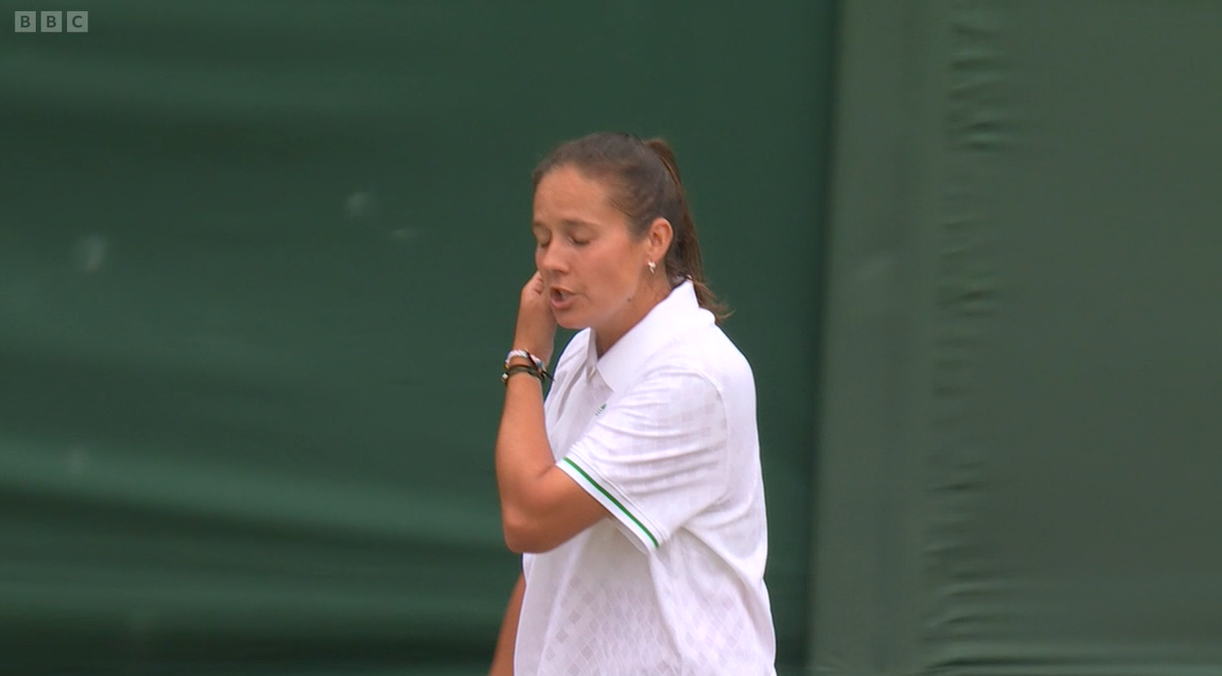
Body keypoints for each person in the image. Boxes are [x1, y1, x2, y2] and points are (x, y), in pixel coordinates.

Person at [489, 132, 776, 675]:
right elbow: (546, 561)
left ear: (655, 241)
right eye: (543, 239)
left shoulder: (696, 376)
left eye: (579, 238)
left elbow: (530, 518)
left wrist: (525, 359)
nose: (552, 262)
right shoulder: (581, 354)